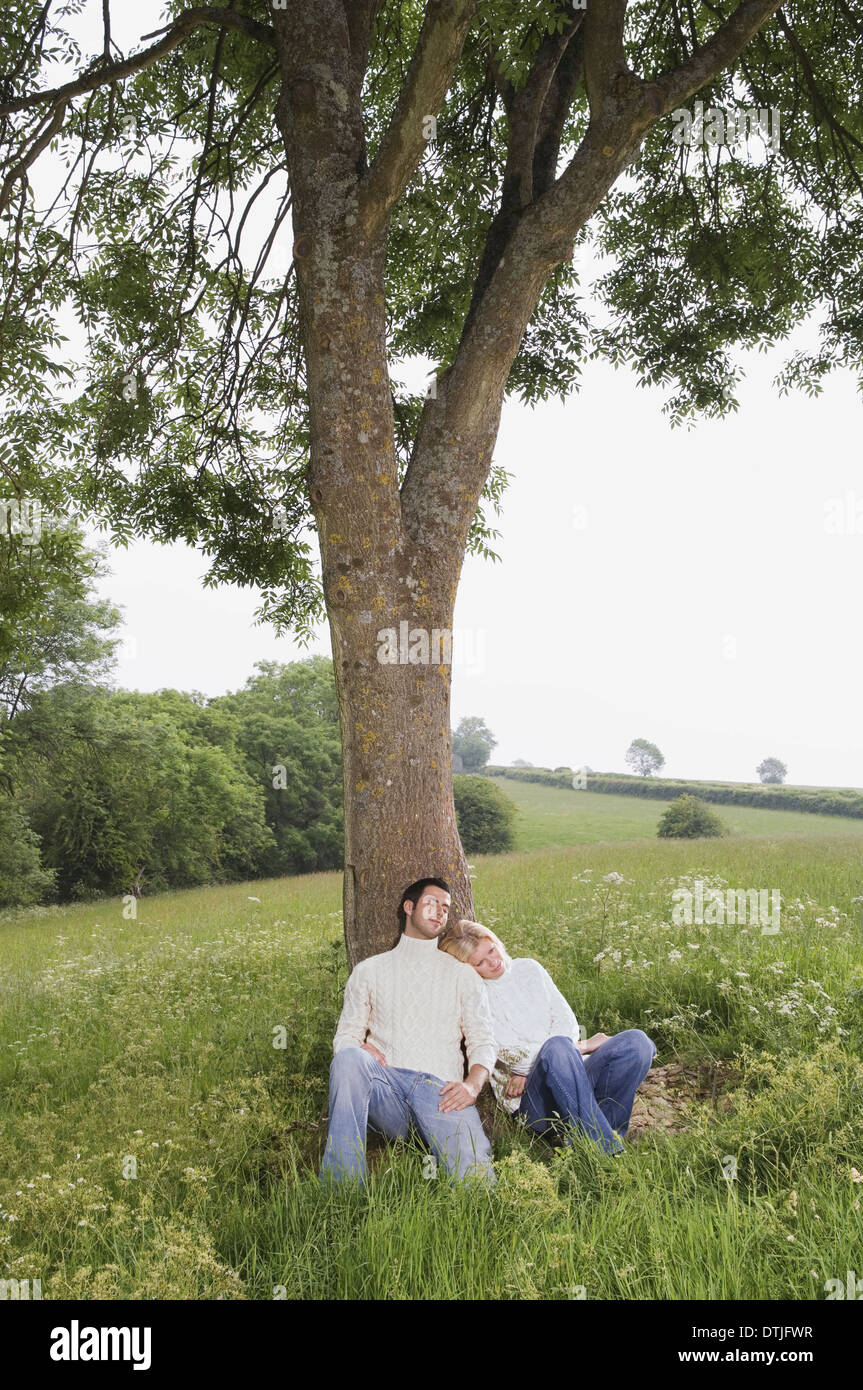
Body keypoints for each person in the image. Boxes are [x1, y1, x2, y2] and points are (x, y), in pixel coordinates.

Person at [319, 879, 497, 1184]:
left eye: (445, 907)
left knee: (478, 1183)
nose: (440, 911)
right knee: (348, 1060)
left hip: (440, 1094)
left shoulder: (462, 975)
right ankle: (342, 1190)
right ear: (408, 907)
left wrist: (472, 1086)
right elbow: (346, 1035)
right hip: (388, 1093)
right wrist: (358, 1049)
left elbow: (482, 1039)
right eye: (431, 903)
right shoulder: (369, 971)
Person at [438, 920, 656, 1156]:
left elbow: (567, 1022)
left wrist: (553, 1055)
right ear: (468, 968)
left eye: (491, 950)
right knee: (558, 1048)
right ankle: (604, 1152)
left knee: (637, 1043)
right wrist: (581, 1046)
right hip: (534, 1103)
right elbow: (516, 1058)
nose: (493, 961)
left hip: (574, 1074)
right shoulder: (476, 997)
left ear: (495, 941)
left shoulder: (529, 968)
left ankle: (605, 1133)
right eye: (480, 962)